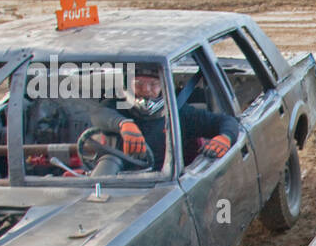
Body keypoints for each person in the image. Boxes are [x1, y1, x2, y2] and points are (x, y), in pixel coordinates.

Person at [81, 65, 239, 170]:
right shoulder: (117, 105)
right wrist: (123, 124)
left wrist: (225, 137)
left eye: (154, 84)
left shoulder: (180, 113)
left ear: (163, 86)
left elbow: (226, 121)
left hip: (163, 186)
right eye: (139, 84)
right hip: (117, 178)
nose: (146, 90)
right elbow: (98, 114)